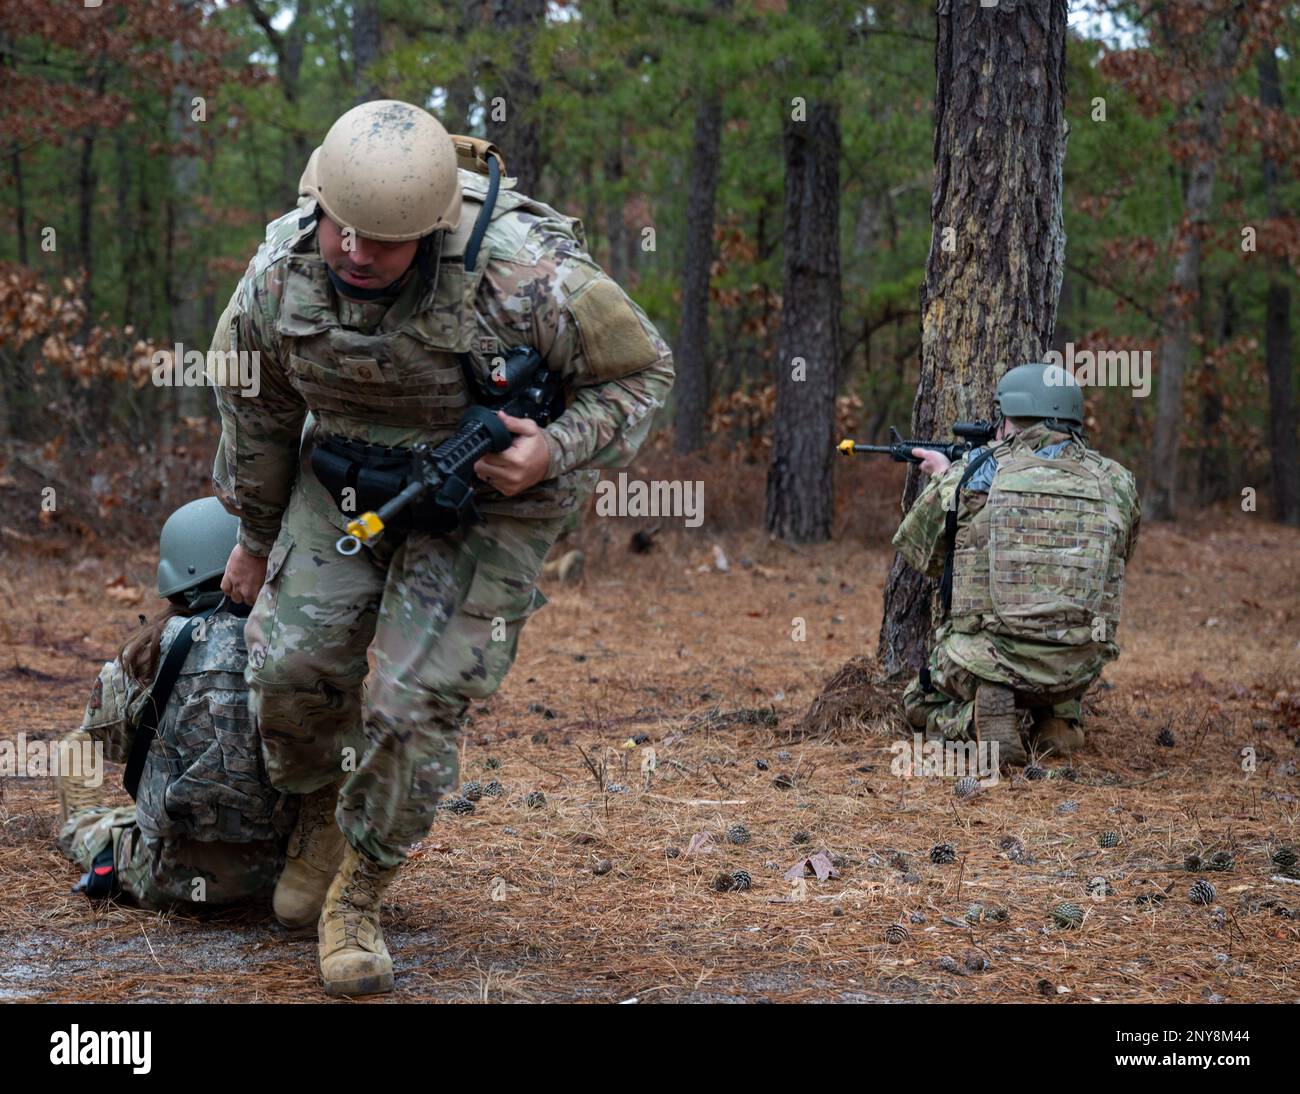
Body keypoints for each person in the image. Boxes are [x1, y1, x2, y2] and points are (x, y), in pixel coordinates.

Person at [209, 100, 674, 995]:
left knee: (415, 700)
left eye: (383, 241)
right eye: (344, 230)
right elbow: (259, 410)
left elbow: (643, 372)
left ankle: (364, 887)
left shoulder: (526, 275)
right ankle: (319, 812)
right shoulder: (278, 276)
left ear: (428, 231)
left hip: (491, 496)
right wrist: (255, 539)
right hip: (345, 469)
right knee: (289, 666)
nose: (356, 253)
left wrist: (552, 450)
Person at [893, 363, 1140, 765]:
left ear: (1010, 416)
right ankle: (1058, 724)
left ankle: (972, 717)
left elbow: (923, 555)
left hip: (988, 662)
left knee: (918, 702)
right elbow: (1121, 553)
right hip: (1077, 667)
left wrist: (945, 478)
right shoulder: (1117, 480)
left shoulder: (975, 472)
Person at [55, 498, 295, 909]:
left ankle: (92, 834)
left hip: (169, 877)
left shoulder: (146, 655)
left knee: (78, 764)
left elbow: (108, 746)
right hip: (288, 878)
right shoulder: (301, 650)